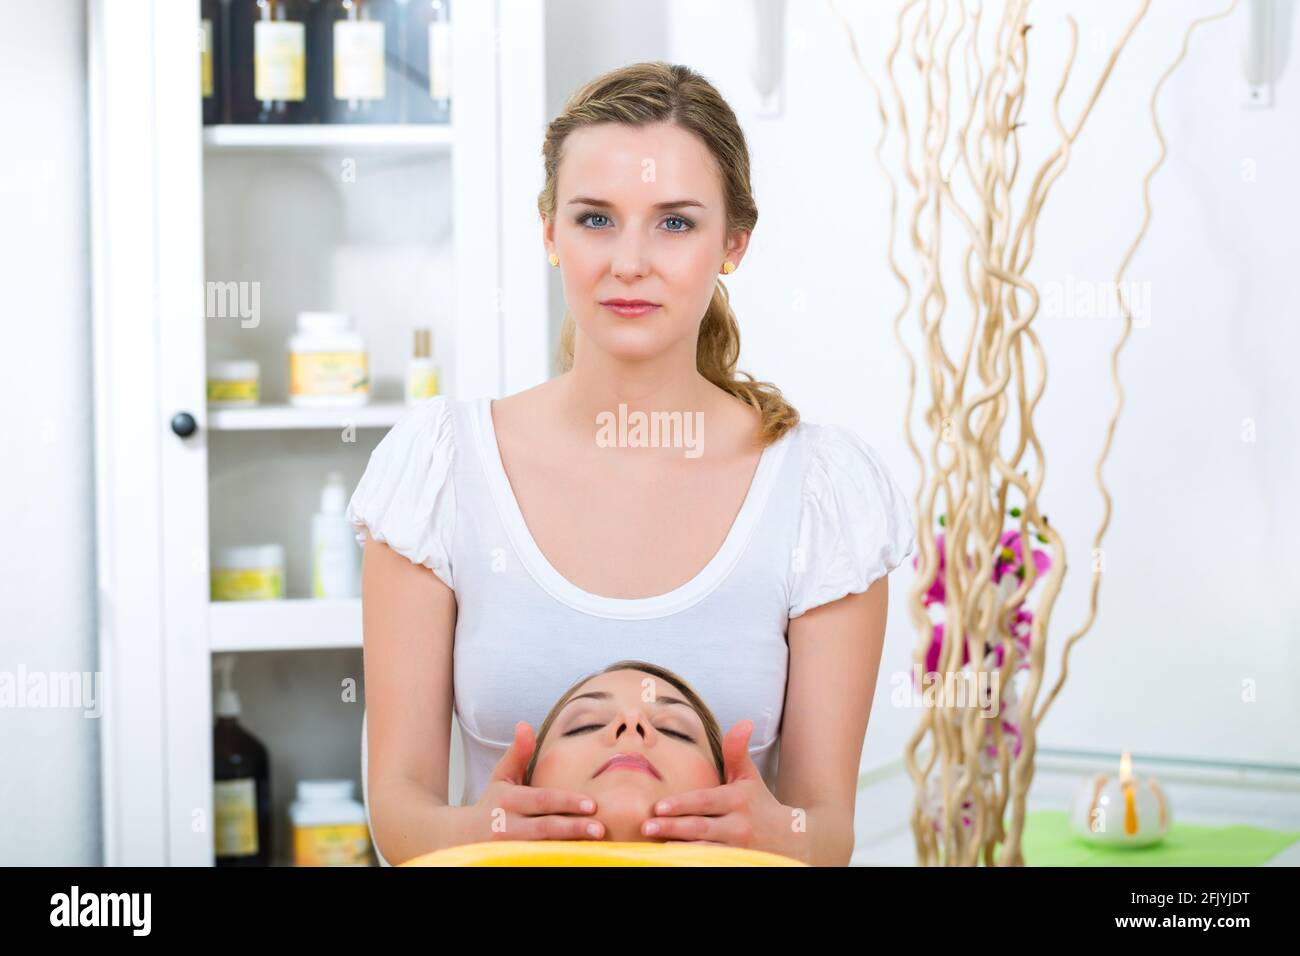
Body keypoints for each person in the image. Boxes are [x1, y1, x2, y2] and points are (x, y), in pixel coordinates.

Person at [347, 61, 916, 867]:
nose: (629, 262)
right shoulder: (439, 471)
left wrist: (776, 830)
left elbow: (825, 829)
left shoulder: (820, 494)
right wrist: (481, 831)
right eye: (595, 219)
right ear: (551, 233)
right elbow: (399, 812)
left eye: (675, 222)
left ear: (734, 242)